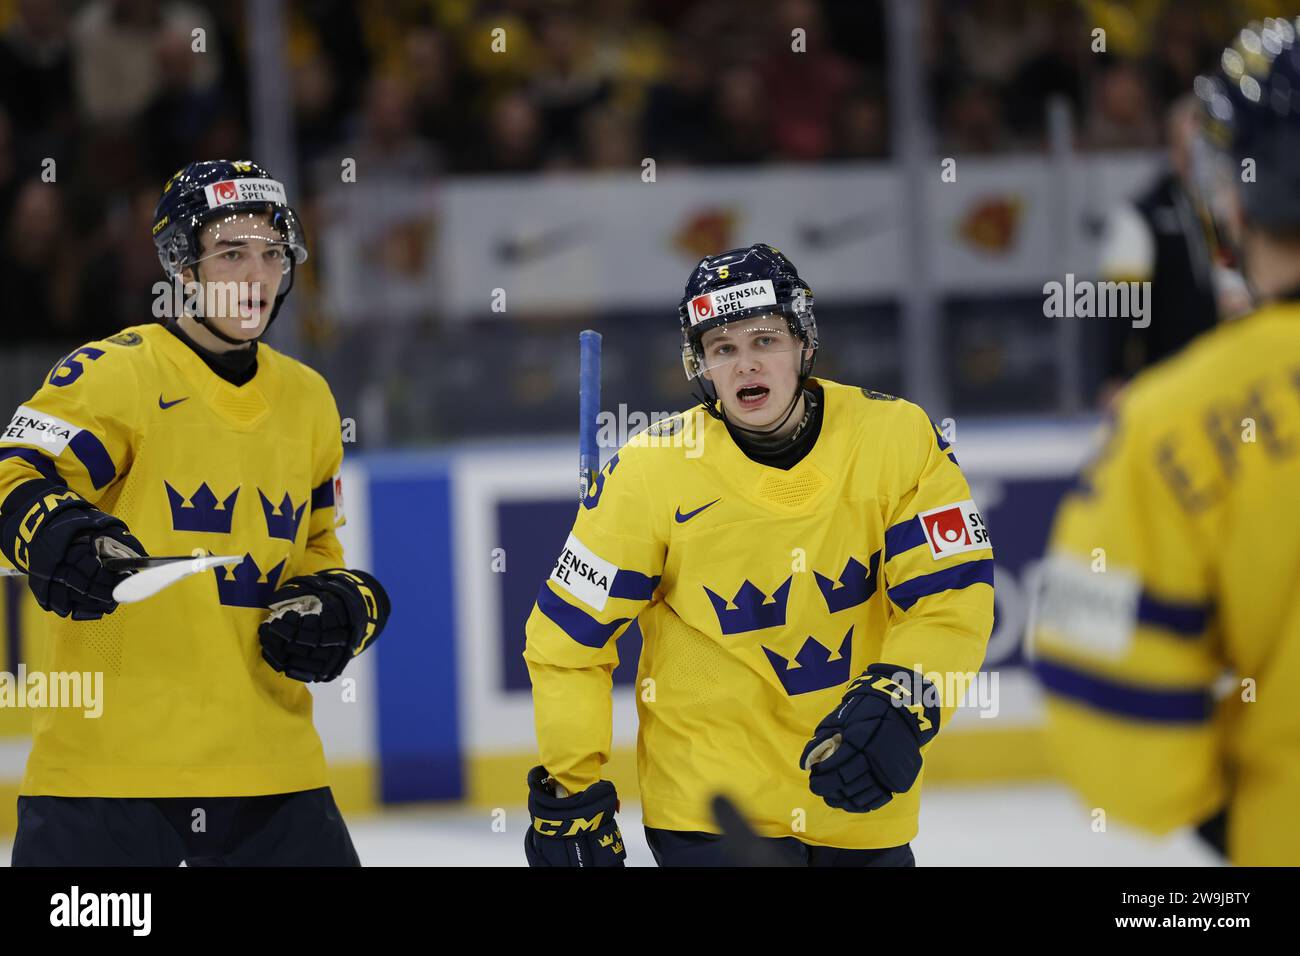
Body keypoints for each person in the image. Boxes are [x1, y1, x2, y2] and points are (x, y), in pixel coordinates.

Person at [522, 243, 994, 866]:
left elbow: (949, 597)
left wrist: (905, 700)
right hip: (712, 810)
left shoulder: (897, 438)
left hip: (855, 793)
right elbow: (567, 642)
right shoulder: (649, 473)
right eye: (723, 348)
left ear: (804, 343)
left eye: (765, 340)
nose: (746, 365)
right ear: (702, 366)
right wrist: (571, 787)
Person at [0, 159, 390, 866]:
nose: (257, 274)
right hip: (106, 783)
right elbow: (12, 476)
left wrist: (337, 602)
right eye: (231, 252)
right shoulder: (115, 373)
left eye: (272, 253)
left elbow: (315, 549)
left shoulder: (308, 399)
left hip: (276, 782)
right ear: (182, 266)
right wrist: (52, 532)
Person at [1029, 18, 1300, 866]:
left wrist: (1238, 810)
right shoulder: (1141, 223)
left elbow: (1110, 706)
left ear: (1235, 190)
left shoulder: (1176, 426)